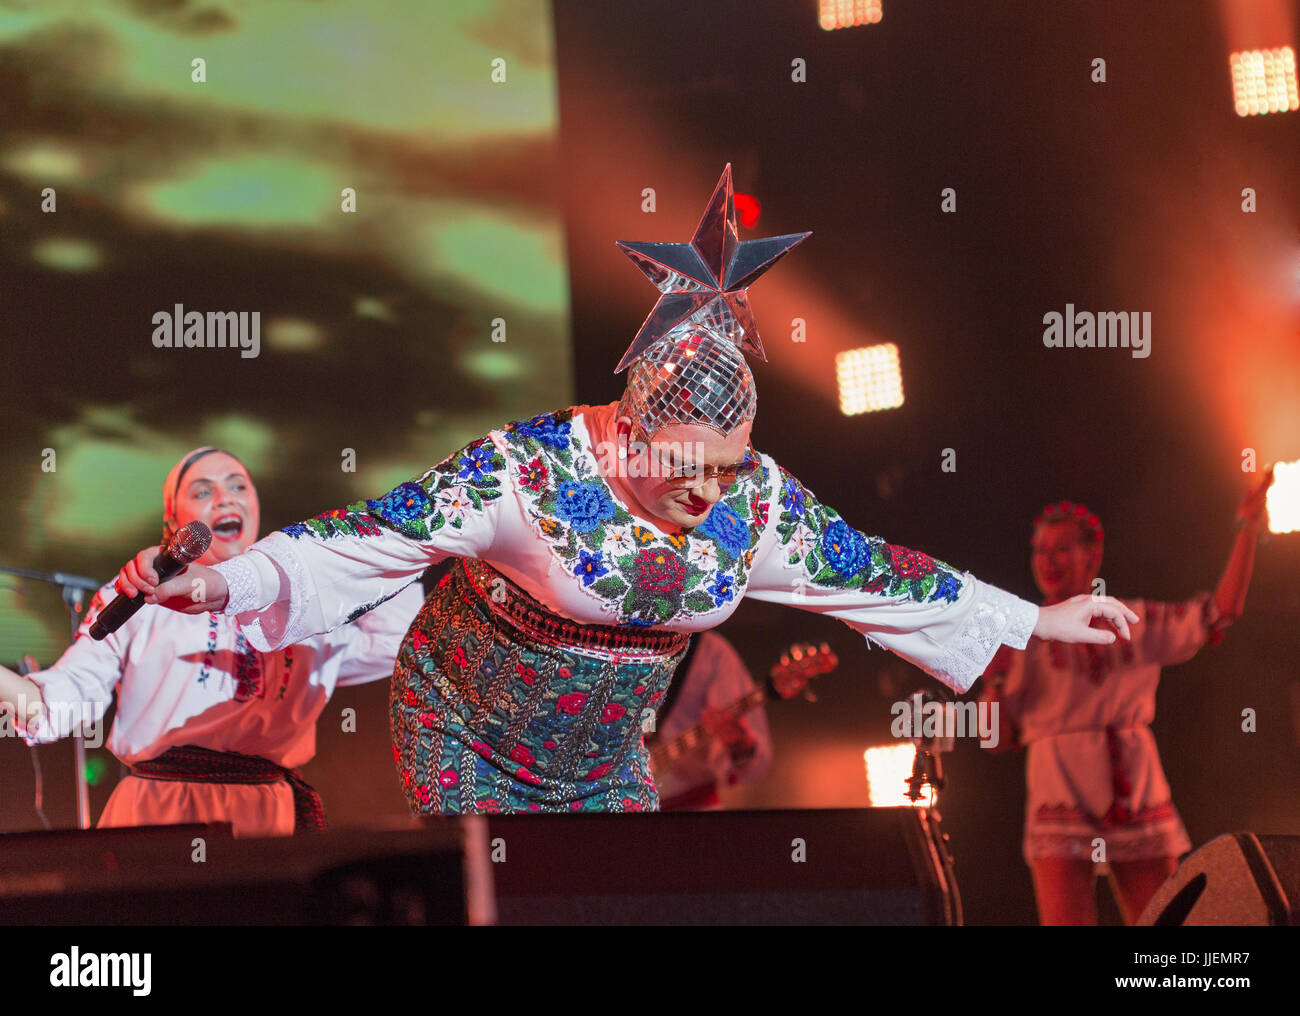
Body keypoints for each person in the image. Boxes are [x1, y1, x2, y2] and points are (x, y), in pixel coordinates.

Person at [111, 165, 1138, 816]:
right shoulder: (526, 471)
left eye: (726, 465)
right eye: (682, 466)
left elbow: (875, 573)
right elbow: (359, 539)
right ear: (629, 432)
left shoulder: (755, 503)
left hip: (606, 767)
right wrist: (212, 585)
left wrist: (1032, 618)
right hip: (462, 736)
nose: (706, 493)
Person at [0, 447, 422, 836]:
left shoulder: (303, 604)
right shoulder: (137, 597)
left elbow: (393, 642)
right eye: (203, 491)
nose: (225, 498)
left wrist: (369, 531)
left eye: (238, 486)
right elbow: (59, 701)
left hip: (268, 818)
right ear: (172, 521)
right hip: (158, 813)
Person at [978, 476, 1273, 925]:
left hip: (1135, 788)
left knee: (1165, 926)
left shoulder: (1132, 619)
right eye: (1041, 551)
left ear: (1092, 556)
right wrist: (995, 682)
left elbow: (1220, 611)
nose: (1049, 561)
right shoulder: (1023, 634)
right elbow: (994, 740)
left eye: (1062, 549)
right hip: (1059, 790)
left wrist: (1248, 525)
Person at [646, 631, 772, 811]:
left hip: (691, 809)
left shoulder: (711, 651)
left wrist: (740, 746)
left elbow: (754, 767)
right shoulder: (611, 642)